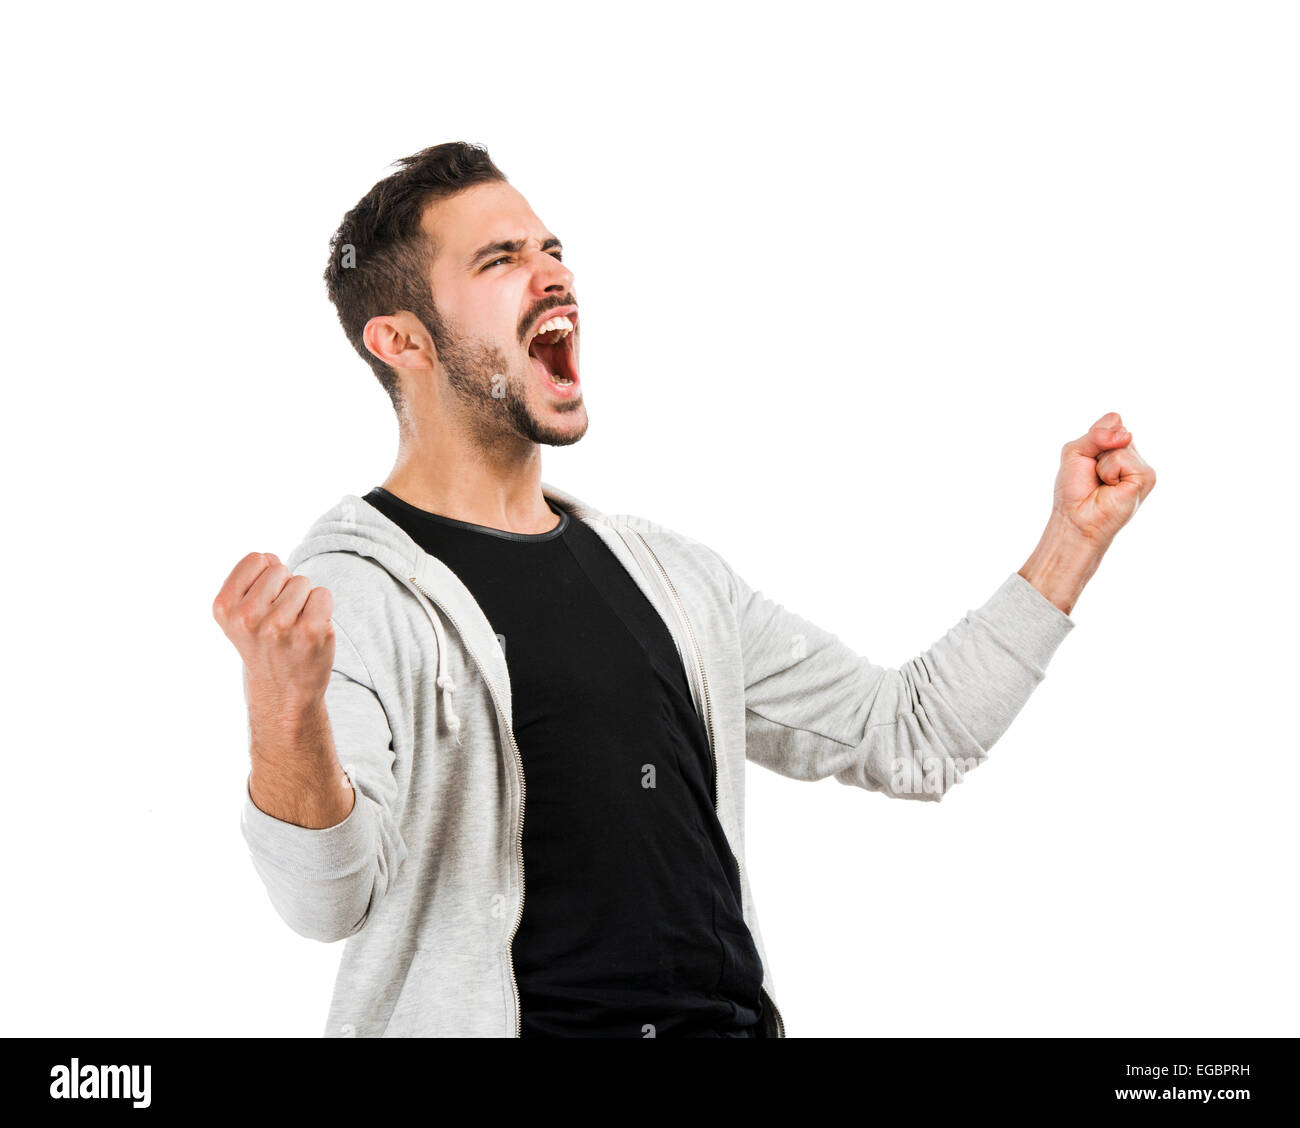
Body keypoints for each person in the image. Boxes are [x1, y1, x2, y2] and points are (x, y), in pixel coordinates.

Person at [211, 142, 1156, 1038]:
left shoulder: (669, 579)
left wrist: (1071, 542)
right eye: (501, 259)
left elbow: (909, 736)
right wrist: (282, 707)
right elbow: (325, 900)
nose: (554, 276)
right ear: (402, 341)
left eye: (553, 250)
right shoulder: (351, 597)